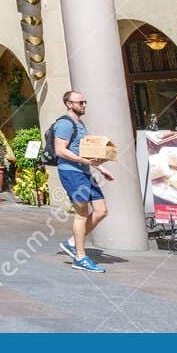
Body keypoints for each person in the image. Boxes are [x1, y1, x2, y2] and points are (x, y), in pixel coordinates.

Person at [50, 90, 114, 273]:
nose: (84, 105)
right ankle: (80, 258)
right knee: (82, 214)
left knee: (101, 211)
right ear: (69, 104)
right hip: (71, 173)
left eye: (85, 102)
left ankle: (72, 242)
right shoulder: (65, 123)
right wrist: (87, 163)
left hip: (84, 172)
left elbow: (83, 152)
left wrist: (100, 168)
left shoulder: (79, 123)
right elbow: (60, 151)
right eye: (80, 102)